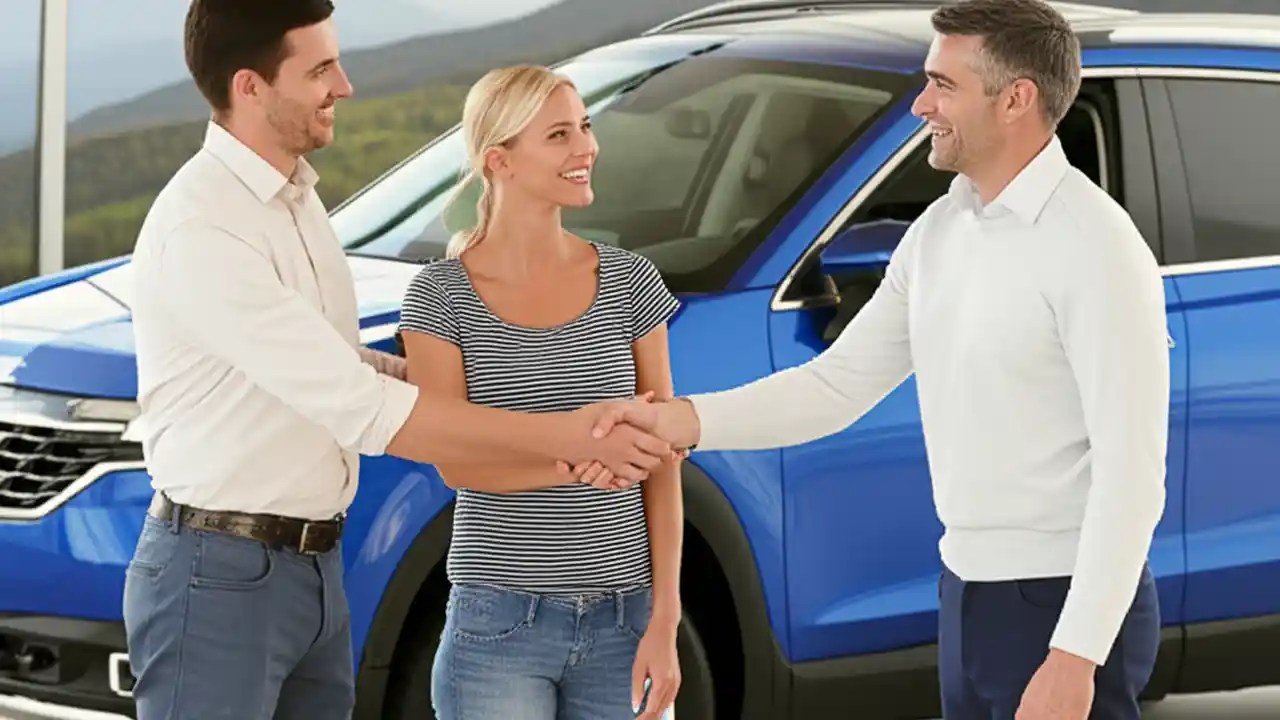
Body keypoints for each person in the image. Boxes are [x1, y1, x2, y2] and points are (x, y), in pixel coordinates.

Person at [590, 0, 1168, 718]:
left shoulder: (1097, 248)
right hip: (969, 590)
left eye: (943, 85)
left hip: (1059, 602)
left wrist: (1074, 656)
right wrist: (677, 421)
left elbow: (1132, 477)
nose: (921, 103)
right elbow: (837, 385)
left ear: (1017, 99)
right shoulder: (944, 230)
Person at [125, 4, 671, 719]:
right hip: (220, 577)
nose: (344, 86)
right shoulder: (206, 227)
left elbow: (326, 362)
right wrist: (570, 437)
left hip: (311, 570)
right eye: (320, 69)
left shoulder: (293, 201)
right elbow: (360, 410)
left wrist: (424, 376)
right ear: (250, 87)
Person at [397, 65, 683, 720]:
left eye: (585, 126)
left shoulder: (631, 282)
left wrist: (665, 620)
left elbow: (663, 460)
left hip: (627, 618)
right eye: (560, 134)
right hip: (497, 625)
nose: (587, 148)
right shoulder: (440, 296)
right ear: (501, 161)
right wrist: (580, 458)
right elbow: (453, 458)